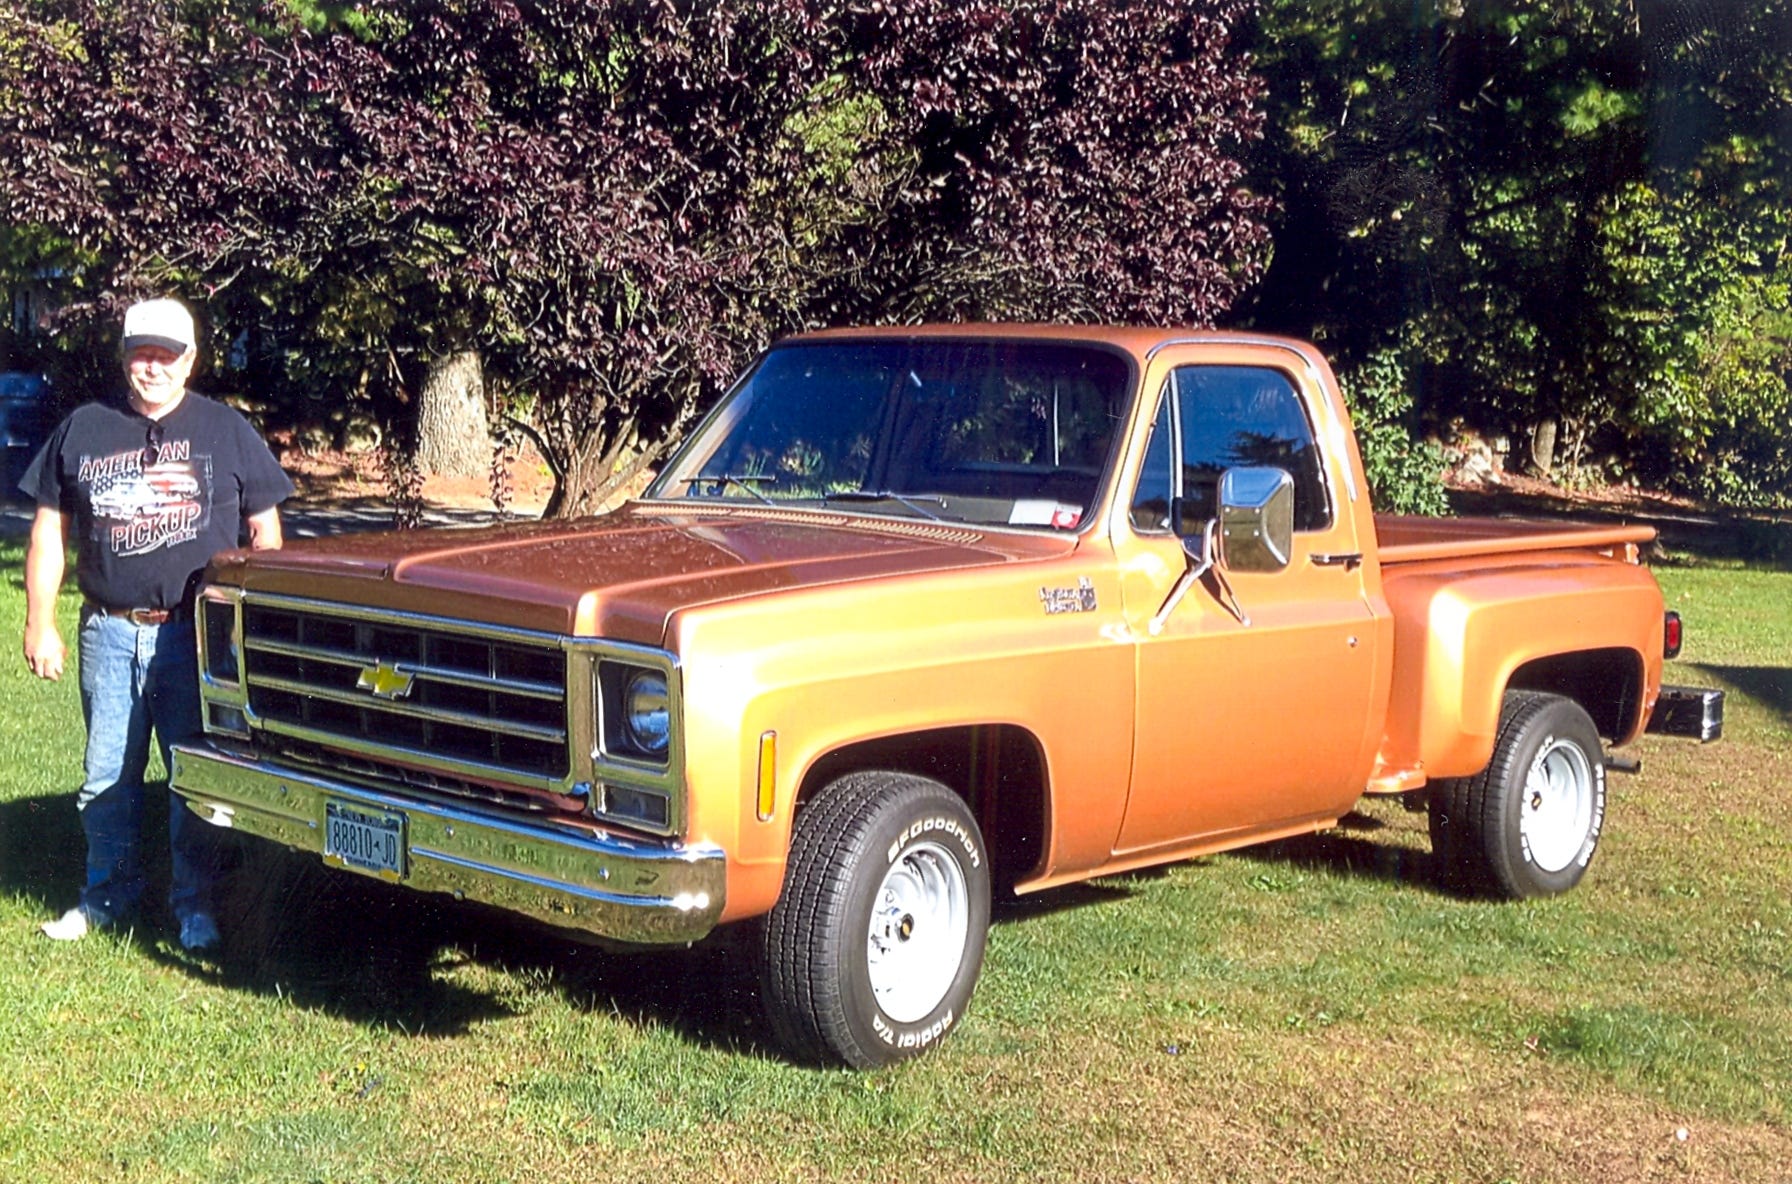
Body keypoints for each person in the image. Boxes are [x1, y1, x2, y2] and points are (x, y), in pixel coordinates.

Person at [18, 296, 294, 952]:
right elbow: (48, 532)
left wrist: (254, 629)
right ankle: (105, 895)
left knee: (193, 777)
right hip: (107, 631)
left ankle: (194, 905)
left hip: (195, 638)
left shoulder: (227, 430)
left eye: (167, 355)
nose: (153, 366)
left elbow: (267, 533)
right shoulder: (83, 427)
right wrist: (39, 622)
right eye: (142, 352)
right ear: (124, 356)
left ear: (190, 360)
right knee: (104, 777)